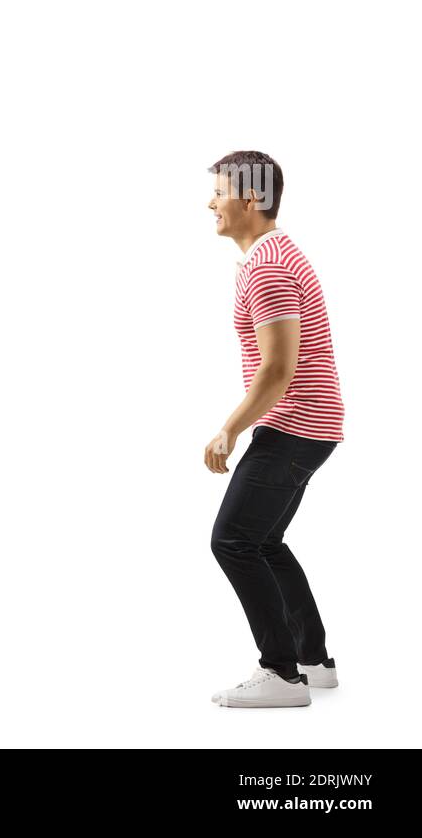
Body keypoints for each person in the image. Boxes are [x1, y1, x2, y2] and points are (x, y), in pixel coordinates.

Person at [203, 150, 344, 708]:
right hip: (308, 423)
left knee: (232, 541)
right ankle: (314, 661)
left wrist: (229, 429)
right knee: (263, 542)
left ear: (252, 198)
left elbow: (278, 370)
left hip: (295, 424)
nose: (210, 202)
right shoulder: (268, 257)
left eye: (220, 191)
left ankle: (283, 676)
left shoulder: (270, 266)